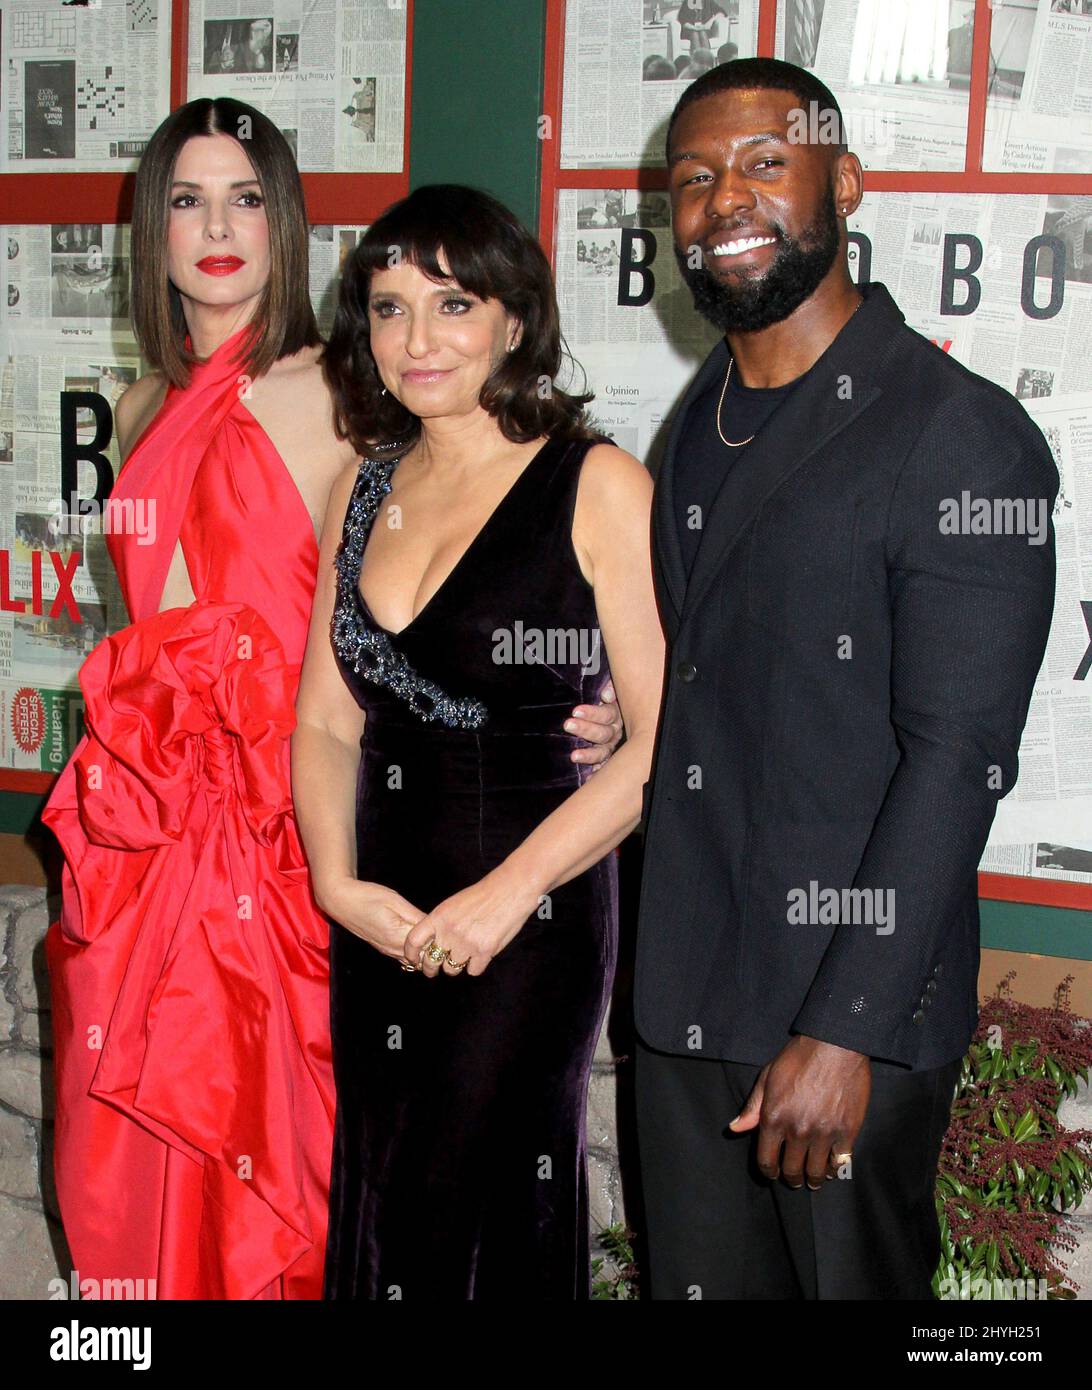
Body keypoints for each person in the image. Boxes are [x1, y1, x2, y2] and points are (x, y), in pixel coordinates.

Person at [42, 101, 623, 1302]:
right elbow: (152, 625)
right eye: (189, 200)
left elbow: (468, 539)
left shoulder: (342, 395)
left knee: (298, 1153)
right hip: (155, 830)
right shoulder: (142, 408)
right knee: (130, 1144)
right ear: (151, 230)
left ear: (287, 221)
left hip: (287, 824)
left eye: (246, 197)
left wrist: (590, 681)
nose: (217, 226)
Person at [633, 58, 1058, 1299]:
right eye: (695, 179)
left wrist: (846, 1029)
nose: (726, 201)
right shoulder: (695, 422)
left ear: (846, 181)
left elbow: (959, 756)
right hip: (688, 1002)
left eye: (765, 163)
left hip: (840, 1028)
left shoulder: (957, 432)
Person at [292, 183, 665, 1299]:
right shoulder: (361, 485)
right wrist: (334, 882)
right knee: (390, 1186)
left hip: (533, 915)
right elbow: (325, 716)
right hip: (380, 909)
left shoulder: (595, 482)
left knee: (480, 1189)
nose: (417, 339)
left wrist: (509, 894)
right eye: (390, 306)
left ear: (514, 317)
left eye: (452, 304)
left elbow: (657, 746)